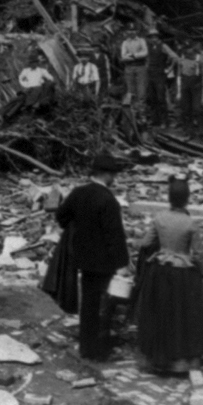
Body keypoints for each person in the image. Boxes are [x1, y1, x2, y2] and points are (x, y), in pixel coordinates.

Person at [55, 154, 131, 362]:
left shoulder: (79, 193)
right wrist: (122, 264)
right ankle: (99, 351)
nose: (114, 178)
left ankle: (86, 348)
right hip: (104, 262)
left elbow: (61, 217)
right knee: (105, 308)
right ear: (106, 174)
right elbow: (114, 235)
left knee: (88, 304)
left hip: (83, 259)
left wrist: (78, 230)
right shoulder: (109, 200)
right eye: (113, 174)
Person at [136, 177, 203, 375]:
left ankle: (155, 359)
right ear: (187, 199)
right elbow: (197, 254)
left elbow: (145, 243)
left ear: (169, 198)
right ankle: (182, 360)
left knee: (160, 314)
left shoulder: (159, 218)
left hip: (160, 270)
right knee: (183, 316)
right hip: (182, 274)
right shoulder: (190, 223)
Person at [119, 27, 149, 109]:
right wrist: (137, 55)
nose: (132, 32)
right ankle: (132, 108)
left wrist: (133, 55)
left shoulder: (141, 41)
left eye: (133, 30)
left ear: (137, 31)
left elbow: (145, 53)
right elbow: (123, 56)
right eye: (130, 30)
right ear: (127, 31)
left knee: (141, 87)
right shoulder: (125, 42)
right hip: (129, 67)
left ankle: (141, 107)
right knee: (130, 88)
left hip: (140, 66)